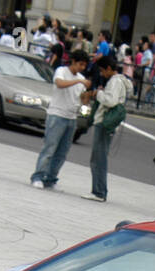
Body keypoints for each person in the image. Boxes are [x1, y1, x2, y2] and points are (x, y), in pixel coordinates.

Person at [30, 49, 90, 190]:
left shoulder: (81, 78)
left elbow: (82, 99)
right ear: (73, 61)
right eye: (80, 64)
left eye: (84, 65)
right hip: (57, 114)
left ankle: (50, 179)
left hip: (71, 117)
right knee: (49, 148)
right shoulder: (62, 71)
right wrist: (78, 81)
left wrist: (87, 97)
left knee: (62, 152)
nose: (82, 68)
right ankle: (38, 176)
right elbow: (59, 84)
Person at [86, 55, 131, 203]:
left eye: (102, 70)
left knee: (98, 158)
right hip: (108, 123)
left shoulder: (115, 82)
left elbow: (111, 101)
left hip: (104, 122)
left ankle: (98, 191)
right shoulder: (121, 81)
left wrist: (98, 94)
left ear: (109, 69)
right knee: (99, 157)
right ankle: (98, 190)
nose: (101, 73)